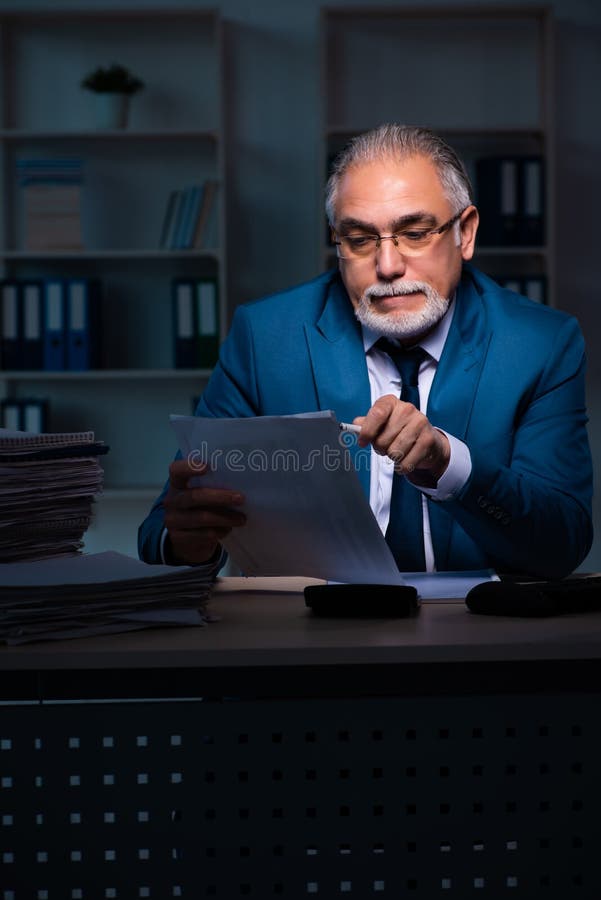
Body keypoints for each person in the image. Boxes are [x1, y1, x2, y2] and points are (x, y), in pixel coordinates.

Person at [139, 124, 593, 578]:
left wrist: (449, 466)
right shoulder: (264, 338)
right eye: (359, 240)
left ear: (466, 233)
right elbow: (162, 529)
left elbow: (560, 544)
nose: (388, 266)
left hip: (482, 631)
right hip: (312, 636)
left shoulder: (541, 344)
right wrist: (188, 543)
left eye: (415, 233)